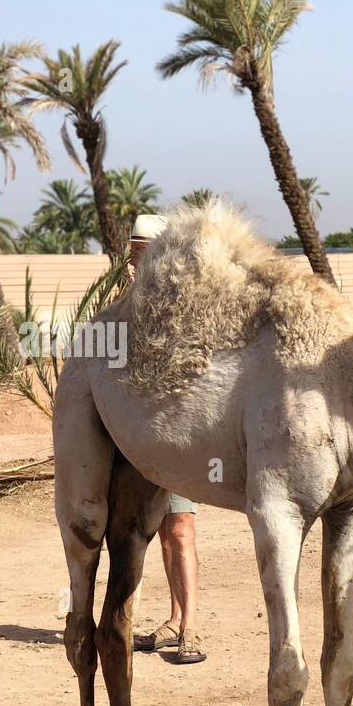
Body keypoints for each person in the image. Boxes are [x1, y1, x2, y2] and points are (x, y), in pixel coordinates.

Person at [127, 214, 207, 665]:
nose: (137, 258)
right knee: (160, 530)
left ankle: (191, 626)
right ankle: (175, 619)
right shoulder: (131, 302)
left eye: (144, 249)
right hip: (141, 437)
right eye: (135, 250)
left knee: (180, 528)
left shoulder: (181, 304)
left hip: (174, 434)